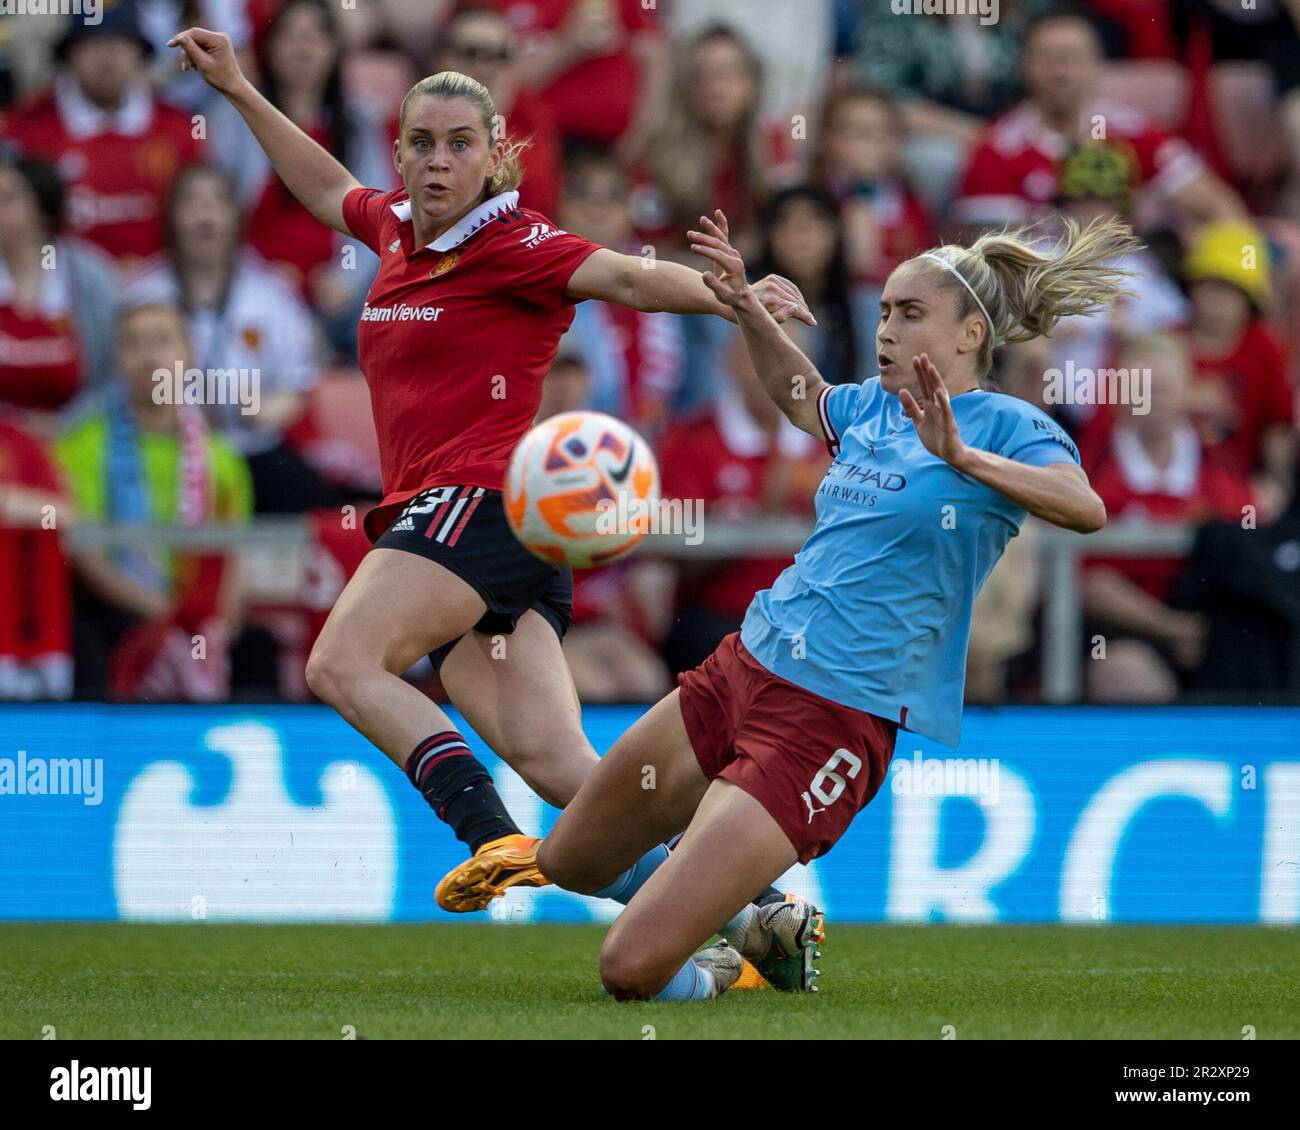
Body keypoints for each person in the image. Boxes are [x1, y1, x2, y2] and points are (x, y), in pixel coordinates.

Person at [169, 28, 814, 925]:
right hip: (485, 536)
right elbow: (322, 186)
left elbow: (626, 278)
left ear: (496, 156)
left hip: (476, 505)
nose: (438, 162)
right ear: (398, 152)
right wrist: (239, 87)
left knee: (343, 663)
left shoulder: (514, 240)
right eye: (421, 144)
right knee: (569, 773)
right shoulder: (394, 228)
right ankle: (754, 913)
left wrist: (733, 296)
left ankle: (486, 832)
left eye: (459, 144)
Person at [459, 210, 1133, 1001]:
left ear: (970, 335)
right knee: (571, 859)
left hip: (832, 719)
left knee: (629, 969)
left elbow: (1083, 507)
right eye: (882, 311)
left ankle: (726, 968)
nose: (885, 329)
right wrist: (745, 306)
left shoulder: (1007, 426)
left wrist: (964, 459)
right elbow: (797, 392)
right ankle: (760, 923)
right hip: (743, 666)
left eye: (909, 314)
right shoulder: (874, 408)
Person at [953, 6, 1242, 232]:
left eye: (1074, 58)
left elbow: (1219, 206)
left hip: (1132, 287)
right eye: (1049, 58)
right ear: (1025, 67)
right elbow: (995, 261)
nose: (1062, 72)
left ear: (1097, 66)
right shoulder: (997, 148)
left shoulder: (1134, 131)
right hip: (1039, 293)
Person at [0, 1, 202, 272]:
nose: (107, 59)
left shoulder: (180, 128)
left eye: (120, 43)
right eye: (91, 43)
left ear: (140, 53)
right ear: (68, 53)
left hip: (164, 290)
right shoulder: (25, 129)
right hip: (58, 287)